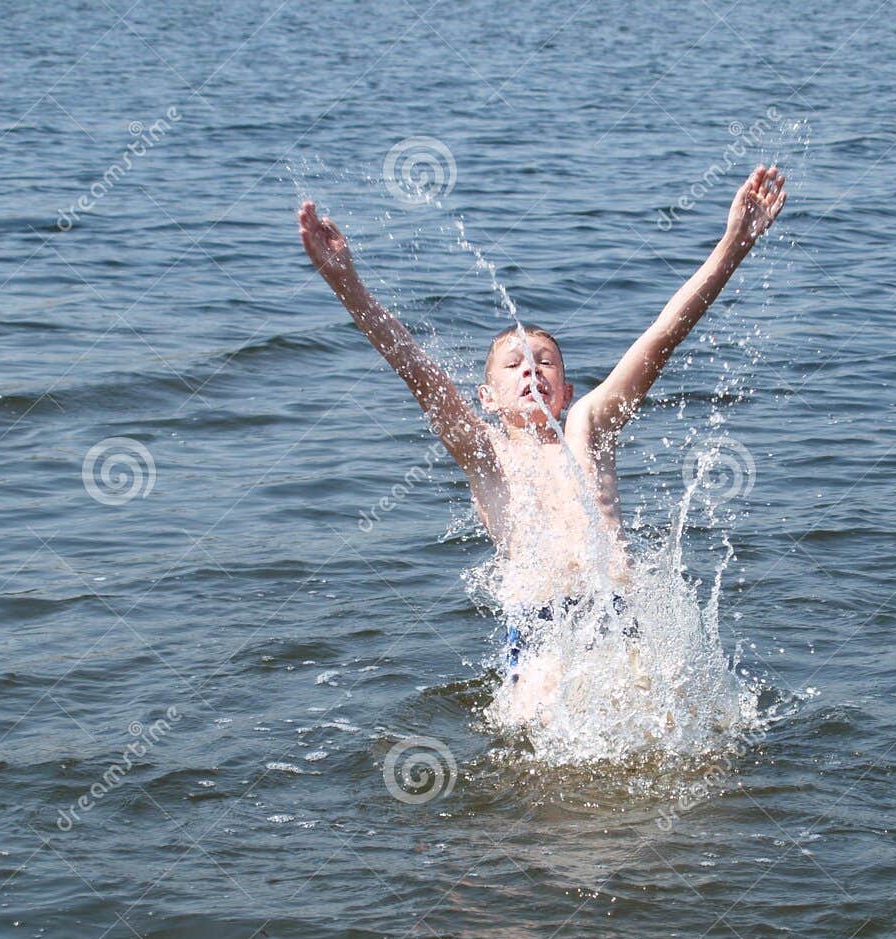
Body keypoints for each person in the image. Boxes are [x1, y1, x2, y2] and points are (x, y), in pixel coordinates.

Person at [298, 164, 787, 715]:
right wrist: (347, 284)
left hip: (620, 616)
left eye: (545, 363)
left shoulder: (586, 428)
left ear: (567, 389)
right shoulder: (485, 453)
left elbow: (660, 340)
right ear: (487, 397)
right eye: (514, 364)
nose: (532, 370)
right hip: (540, 633)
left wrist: (732, 248)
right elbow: (418, 373)